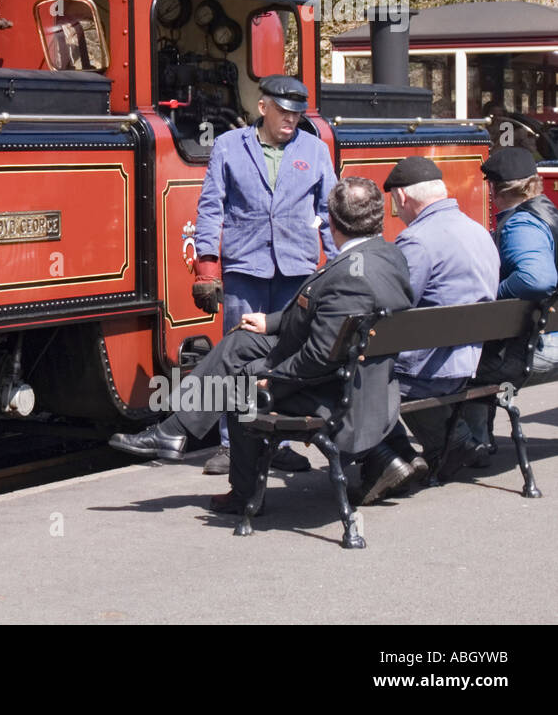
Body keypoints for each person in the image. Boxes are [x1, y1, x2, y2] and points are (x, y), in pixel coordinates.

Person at [112, 177, 414, 514]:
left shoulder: (350, 276)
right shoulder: (388, 256)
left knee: (240, 379)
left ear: (331, 221)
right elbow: (326, 318)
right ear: (377, 217)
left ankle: (243, 494)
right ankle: (174, 430)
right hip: (357, 374)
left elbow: (319, 355)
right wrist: (271, 322)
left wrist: (274, 378)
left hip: (336, 391)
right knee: (240, 341)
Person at [190, 74, 337, 475]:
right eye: (284, 112)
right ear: (263, 108)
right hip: (246, 266)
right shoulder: (228, 146)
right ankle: (229, 443)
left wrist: (340, 263)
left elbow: (328, 211)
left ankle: (281, 441)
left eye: (296, 113)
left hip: (297, 267)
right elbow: (210, 207)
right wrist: (206, 262)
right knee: (235, 354)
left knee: (286, 354)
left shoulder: (315, 149)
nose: (291, 120)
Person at [351, 157, 499, 503]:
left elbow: (387, 307)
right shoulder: (478, 230)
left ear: (402, 197)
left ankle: (391, 457)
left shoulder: (416, 241)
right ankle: (447, 444)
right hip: (468, 362)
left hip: (428, 370)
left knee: (345, 373)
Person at [457, 147, 558, 458]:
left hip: (537, 348)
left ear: (494, 188)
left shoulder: (520, 225)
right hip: (549, 335)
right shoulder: (548, 212)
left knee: (464, 364)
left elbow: (538, 278)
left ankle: (473, 443)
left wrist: (494, 294)